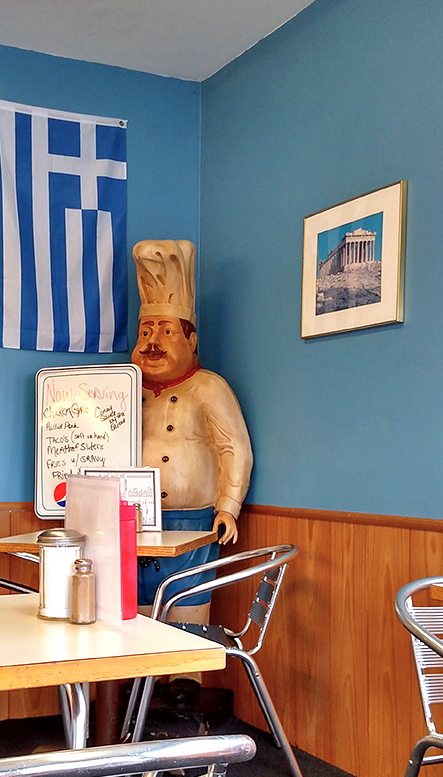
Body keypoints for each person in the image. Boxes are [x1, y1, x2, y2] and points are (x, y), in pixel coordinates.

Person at [131, 239, 253, 702]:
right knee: (140, 602)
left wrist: (229, 506)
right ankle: (144, 684)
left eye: (165, 331)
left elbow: (233, 448)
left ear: (190, 341)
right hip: (133, 521)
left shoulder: (209, 388)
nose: (153, 343)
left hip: (192, 520)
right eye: (145, 332)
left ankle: (185, 684)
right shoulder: (123, 385)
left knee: (186, 600)